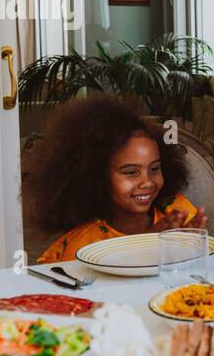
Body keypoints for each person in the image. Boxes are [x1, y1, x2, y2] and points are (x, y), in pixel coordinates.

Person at [28, 97, 205, 263]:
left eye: (154, 169)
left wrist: (193, 245)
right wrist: (150, 243)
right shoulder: (84, 244)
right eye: (131, 172)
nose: (148, 182)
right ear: (97, 177)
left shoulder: (177, 211)